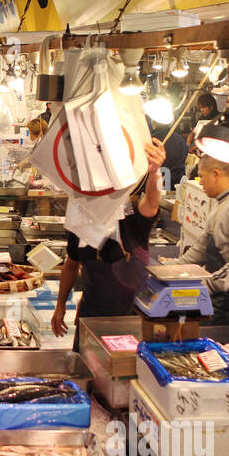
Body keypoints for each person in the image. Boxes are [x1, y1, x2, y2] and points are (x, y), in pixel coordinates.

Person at [52, 140, 167, 342]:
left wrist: (155, 173)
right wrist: (60, 305)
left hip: (131, 319)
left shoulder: (132, 221)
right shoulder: (82, 222)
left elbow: (152, 202)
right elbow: (71, 264)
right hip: (91, 315)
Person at [161, 154, 229, 324]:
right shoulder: (220, 204)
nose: (200, 182)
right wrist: (171, 268)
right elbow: (200, 249)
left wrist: (205, 284)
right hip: (219, 304)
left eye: (202, 176)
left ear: (216, 174)